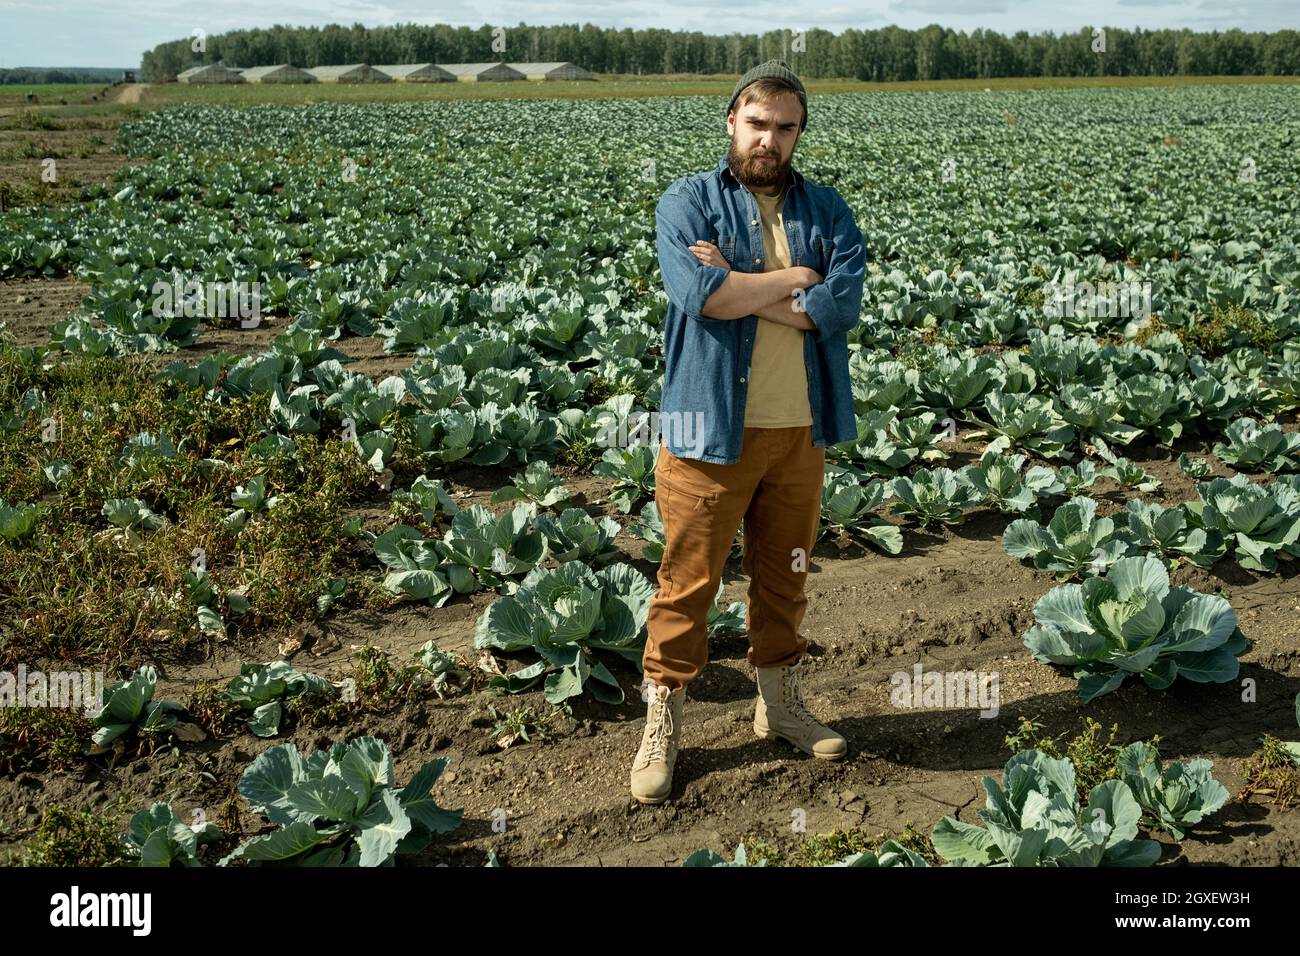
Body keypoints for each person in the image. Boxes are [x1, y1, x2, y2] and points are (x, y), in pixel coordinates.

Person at [631, 59, 867, 804]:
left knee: (785, 575)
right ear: (731, 121)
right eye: (757, 122)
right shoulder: (687, 201)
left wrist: (748, 287)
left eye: (785, 126)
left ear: (799, 133)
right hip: (707, 430)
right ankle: (663, 723)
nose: (769, 138)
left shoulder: (828, 210)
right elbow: (699, 293)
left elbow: (840, 307)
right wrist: (797, 280)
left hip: (800, 429)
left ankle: (780, 703)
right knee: (687, 583)